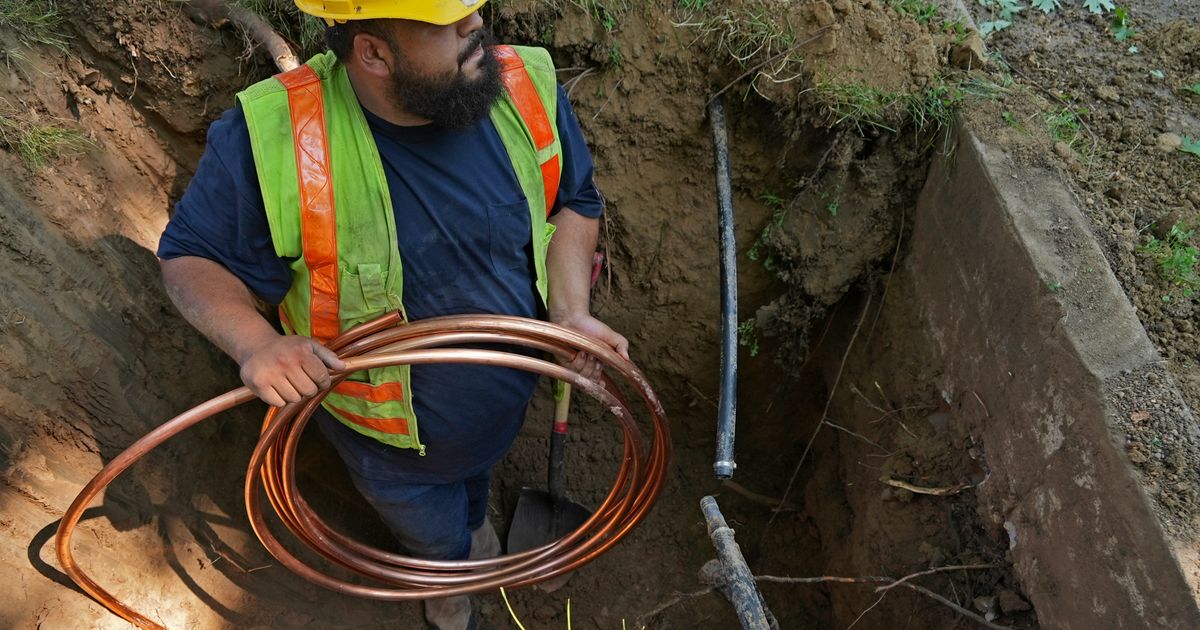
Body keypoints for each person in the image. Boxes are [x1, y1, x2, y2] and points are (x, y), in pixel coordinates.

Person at [156, 1, 627, 627]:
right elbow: (191, 259)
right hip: (391, 454)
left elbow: (574, 199)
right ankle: (447, 589)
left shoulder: (521, 85)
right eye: (448, 24)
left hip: (502, 409)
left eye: (472, 9)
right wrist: (255, 344)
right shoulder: (273, 136)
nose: (476, 27)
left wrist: (569, 311)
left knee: (472, 492)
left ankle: (473, 534)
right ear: (374, 53)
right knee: (435, 538)